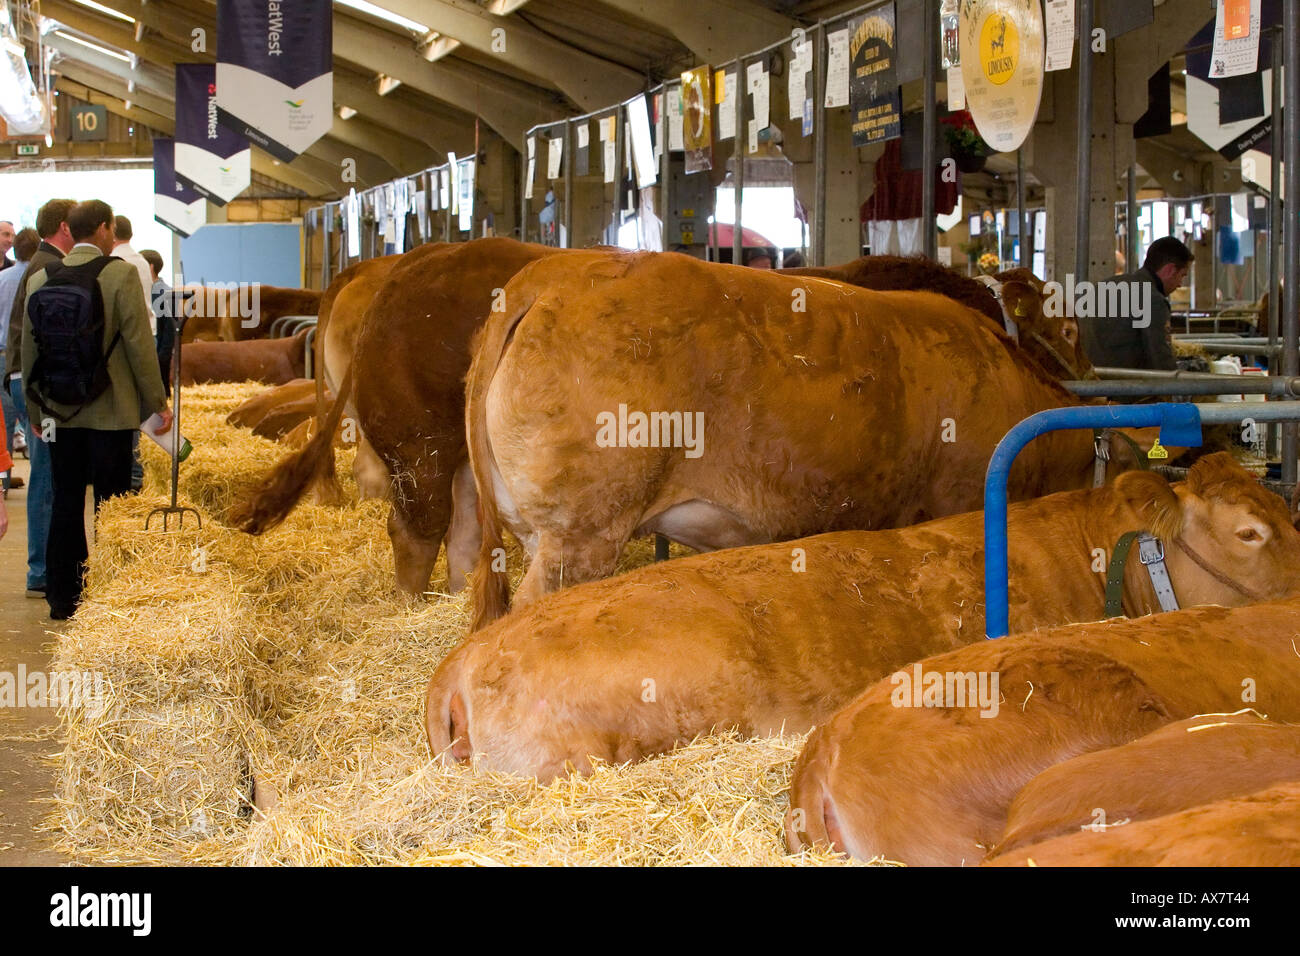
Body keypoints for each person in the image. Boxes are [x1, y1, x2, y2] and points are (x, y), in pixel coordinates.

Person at [21, 200, 170, 620]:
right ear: (104, 229)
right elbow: (141, 347)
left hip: (60, 414)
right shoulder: (119, 275)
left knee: (66, 499)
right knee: (113, 503)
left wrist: (35, 412)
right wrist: (156, 403)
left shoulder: (42, 278)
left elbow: (29, 350)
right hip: (113, 413)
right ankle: (110, 595)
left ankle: (64, 598)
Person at [6, 198, 75, 600]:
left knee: (46, 474)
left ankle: (43, 566)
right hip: (34, 383)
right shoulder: (49, 267)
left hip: (23, 378)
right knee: (46, 476)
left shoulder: (40, 263)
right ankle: (41, 569)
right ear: (65, 227)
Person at [1079, 236, 1193, 371]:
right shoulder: (1152, 299)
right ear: (1170, 270)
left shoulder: (1103, 286)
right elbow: (1160, 358)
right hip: (1127, 385)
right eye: (1182, 275)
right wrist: (1182, 384)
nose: (1180, 284)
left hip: (1089, 382)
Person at [0, 227, 39, 490]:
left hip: (2, 354)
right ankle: (40, 471)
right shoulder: (40, 276)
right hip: (29, 358)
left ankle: (2, 479)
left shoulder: (2, 278)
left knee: (3, 420)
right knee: (33, 421)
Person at [140, 248, 174, 396]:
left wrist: (162, 356)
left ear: (151, 266)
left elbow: (169, 326)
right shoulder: (164, 290)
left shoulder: (159, 292)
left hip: (159, 353)